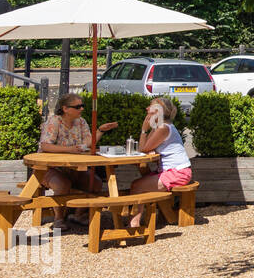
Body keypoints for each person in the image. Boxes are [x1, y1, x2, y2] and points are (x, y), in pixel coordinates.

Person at [37, 93, 119, 229]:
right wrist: (69, 149)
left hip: (73, 168)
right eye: (77, 106)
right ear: (65, 109)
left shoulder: (81, 122)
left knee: (95, 184)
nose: (81, 109)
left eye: (82, 106)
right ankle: (58, 219)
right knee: (62, 184)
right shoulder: (54, 122)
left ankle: (78, 214)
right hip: (48, 168)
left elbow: (87, 143)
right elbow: (45, 145)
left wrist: (100, 131)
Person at [127, 97, 193, 231]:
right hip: (172, 171)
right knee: (139, 183)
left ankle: (134, 223)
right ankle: (140, 220)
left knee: (137, 186)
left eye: (150, 107)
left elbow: (143, 149)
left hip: (178, 173)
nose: (146, 109)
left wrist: (144, 130)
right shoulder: (160, 126)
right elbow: (146, 148)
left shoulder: (163, 127)